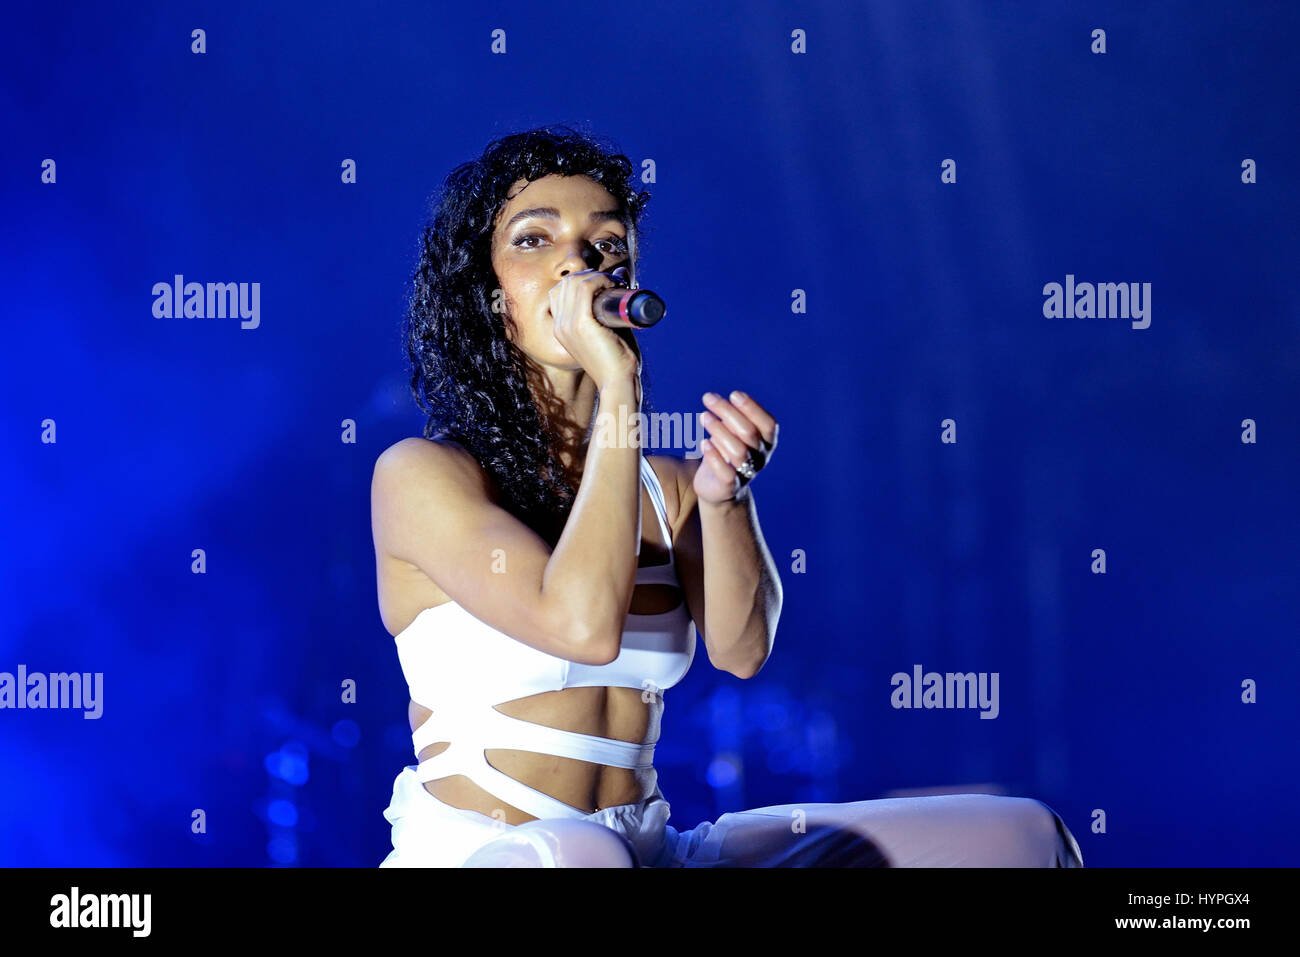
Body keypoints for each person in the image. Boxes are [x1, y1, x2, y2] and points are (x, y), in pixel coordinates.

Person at [372, 125, 1084, 867]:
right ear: (489, 299)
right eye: (534, 240)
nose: (577, 261)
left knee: (1019, 838)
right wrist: (620, 386)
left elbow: (743, 649)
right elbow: (581, 624)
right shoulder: (423, 475)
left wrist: (722, 498)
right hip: (482, 854)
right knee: (582, 855)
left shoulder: (664, 485)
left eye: (605, 242)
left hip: (645, 851)